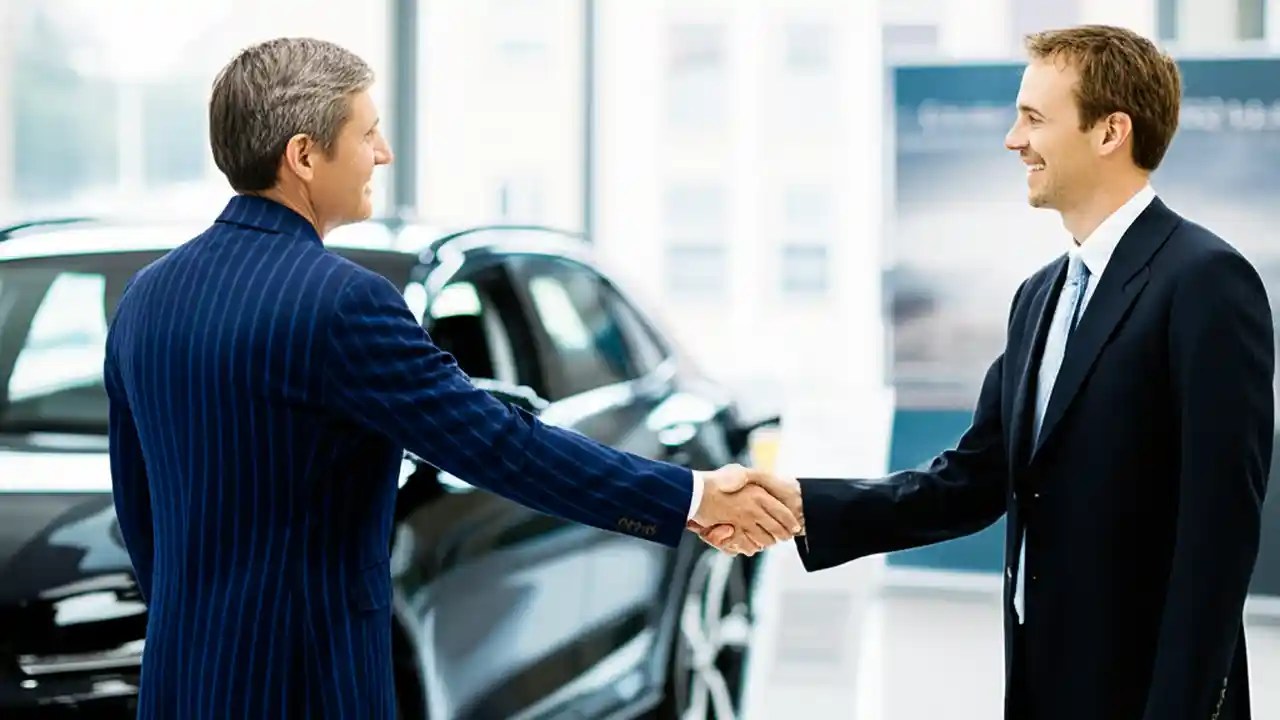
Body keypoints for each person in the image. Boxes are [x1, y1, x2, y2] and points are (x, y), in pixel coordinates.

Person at [104, 37, 800, 720]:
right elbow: (500, 446)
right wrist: (691, 496)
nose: (383, 153)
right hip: (308, 682)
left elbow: (140, 512)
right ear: (305, 156)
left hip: (181, 678)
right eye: (367, 134)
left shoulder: (145, 298)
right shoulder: (343, 301)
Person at [693, 24, 1273, 720]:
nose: (1013, 139)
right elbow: (972, 480)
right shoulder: (1039, 295)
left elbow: (1219, 534)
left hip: (1149, 694)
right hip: (1041, 681)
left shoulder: (1207, 281)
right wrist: (800, 504)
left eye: (1033, 118)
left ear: (1110, 131)